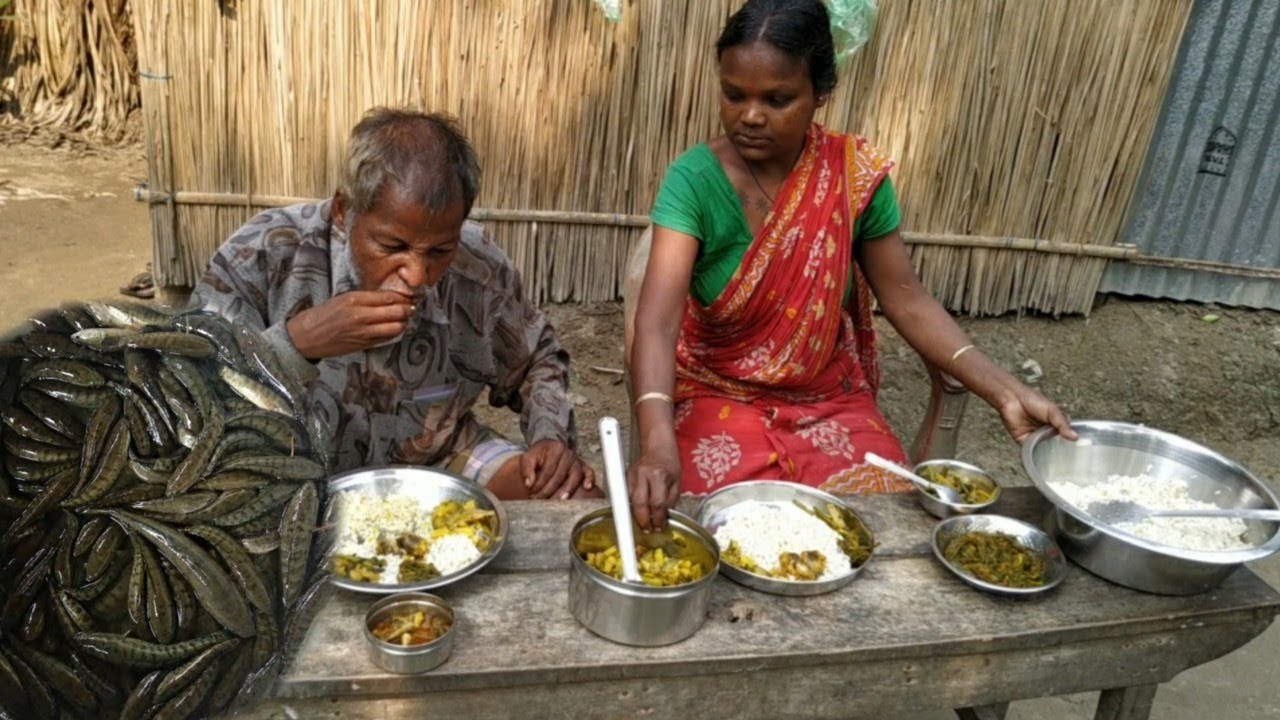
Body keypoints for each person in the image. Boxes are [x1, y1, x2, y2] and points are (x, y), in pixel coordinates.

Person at [626, 0, 1075, 530]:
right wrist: (658, 446)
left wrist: (1005, 390)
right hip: (714, 390)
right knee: (715, 528)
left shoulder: (851, 175)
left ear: (821, 93)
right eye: (734, 94)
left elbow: (907, 298)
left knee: (881, 529)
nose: (750, 115)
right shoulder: (694, 180)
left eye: (777, 99)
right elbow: (657, 324)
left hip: (826, 399)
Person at [193, 107, 598, 500]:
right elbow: (189, 390)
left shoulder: (478, 267)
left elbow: (537, 360)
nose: (417, 275)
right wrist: (296, 343)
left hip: (438, 462)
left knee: (571, 493)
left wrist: (550, 437)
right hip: (288, 475)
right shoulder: (264, 254)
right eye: (392, 246)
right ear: (344, 211)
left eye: (440, 250)